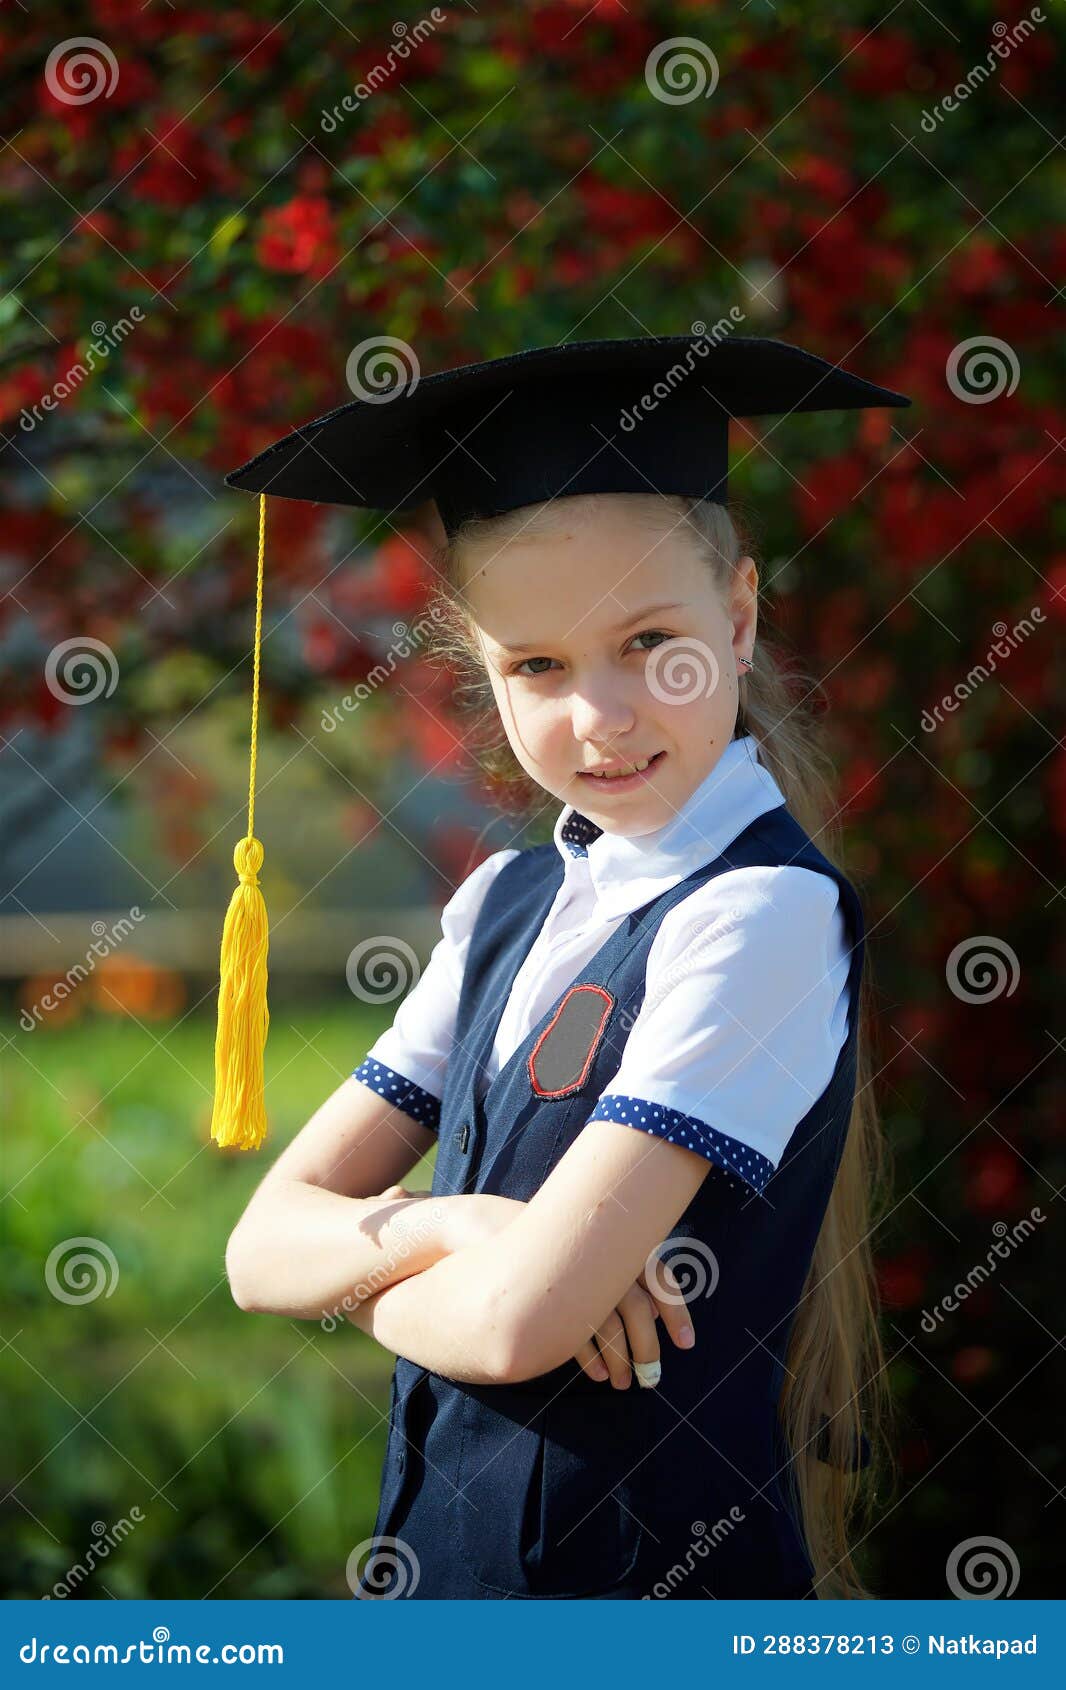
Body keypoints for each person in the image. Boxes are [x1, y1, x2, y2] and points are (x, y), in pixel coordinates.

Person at [221, 334, 909, 1600]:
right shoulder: (503, 906)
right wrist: (466, 1224)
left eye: (650, 639)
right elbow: (258, 1250)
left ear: (740, 617)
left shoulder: (756, 916)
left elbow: (513, 1326)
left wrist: (377, 1272)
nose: (600, 715)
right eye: (535, 665)